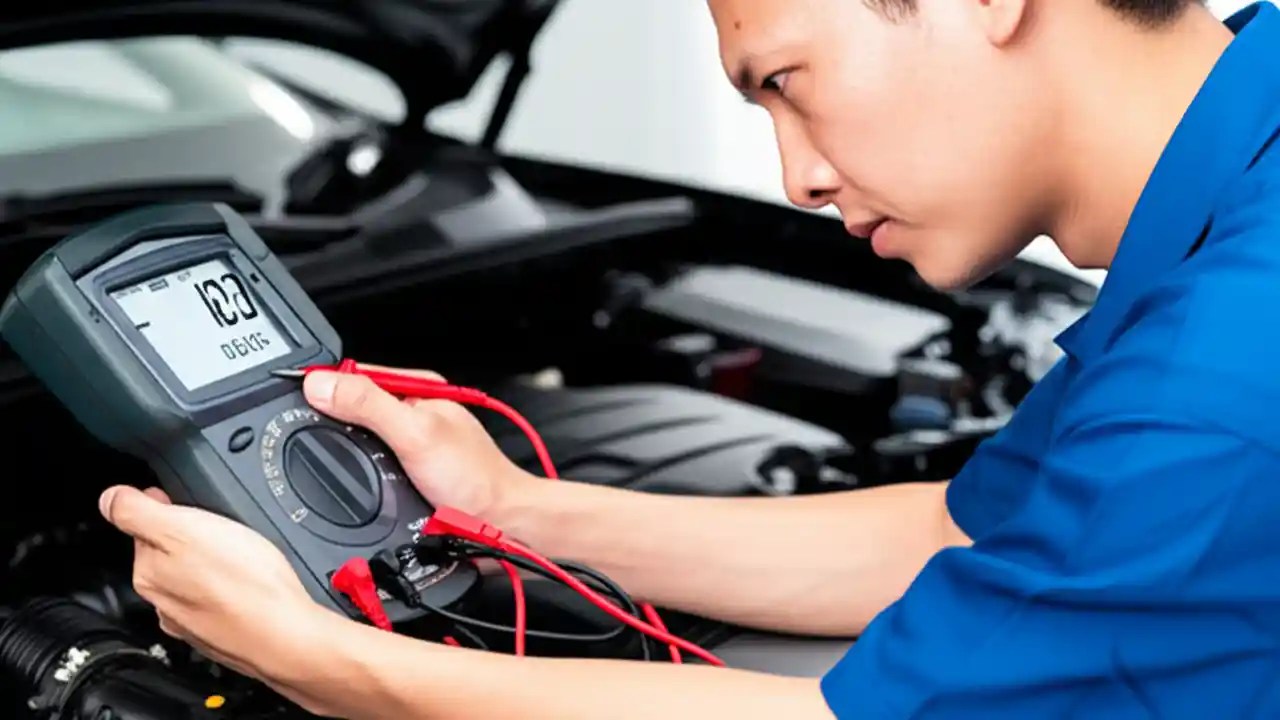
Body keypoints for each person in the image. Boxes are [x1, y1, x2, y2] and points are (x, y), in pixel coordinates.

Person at [96, 0, 1280, 717]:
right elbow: (958, 534)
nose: (794, 177)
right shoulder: (1234, 206)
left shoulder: (1219, 370)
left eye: (784, 82)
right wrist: (509, 508)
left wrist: (322, 664)